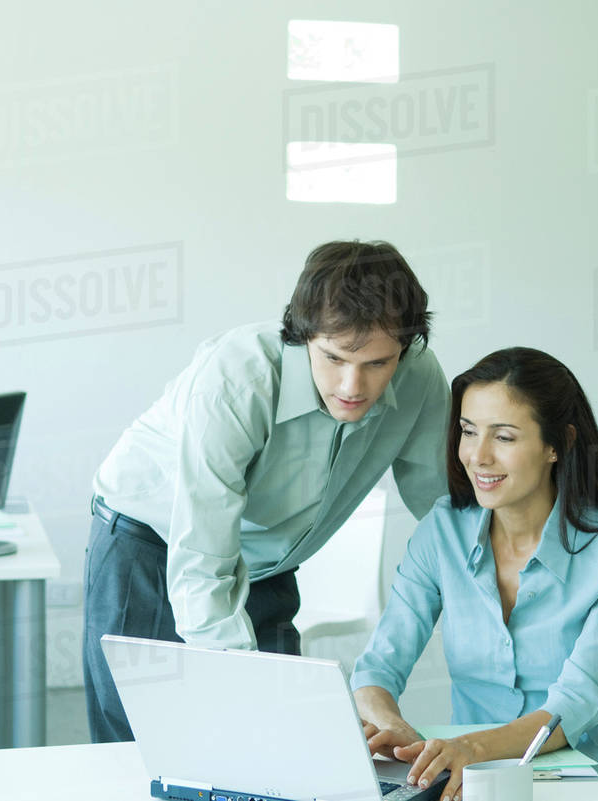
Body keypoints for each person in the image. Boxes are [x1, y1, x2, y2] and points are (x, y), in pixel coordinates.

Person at [83, 240, 451, 743]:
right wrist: (242, 689)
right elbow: (201, 559)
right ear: (303, 335)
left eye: (378, 364)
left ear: (405, 349)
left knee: (280, 749)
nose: (353, 385)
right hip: (150, 544)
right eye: (334, 357)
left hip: (268, 563)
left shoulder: (421, 379)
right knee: (145, 746)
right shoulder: (238, 379)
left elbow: (446, 511)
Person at [350, 347, 598, 800]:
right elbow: (377, 667)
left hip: (583, 777)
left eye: (505, 437)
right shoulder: (442, 531)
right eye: (468, 431)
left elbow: (574, 704)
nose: (477, 456)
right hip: (465, 780)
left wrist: (469, 748)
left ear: (558, 444)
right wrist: (399, 735)